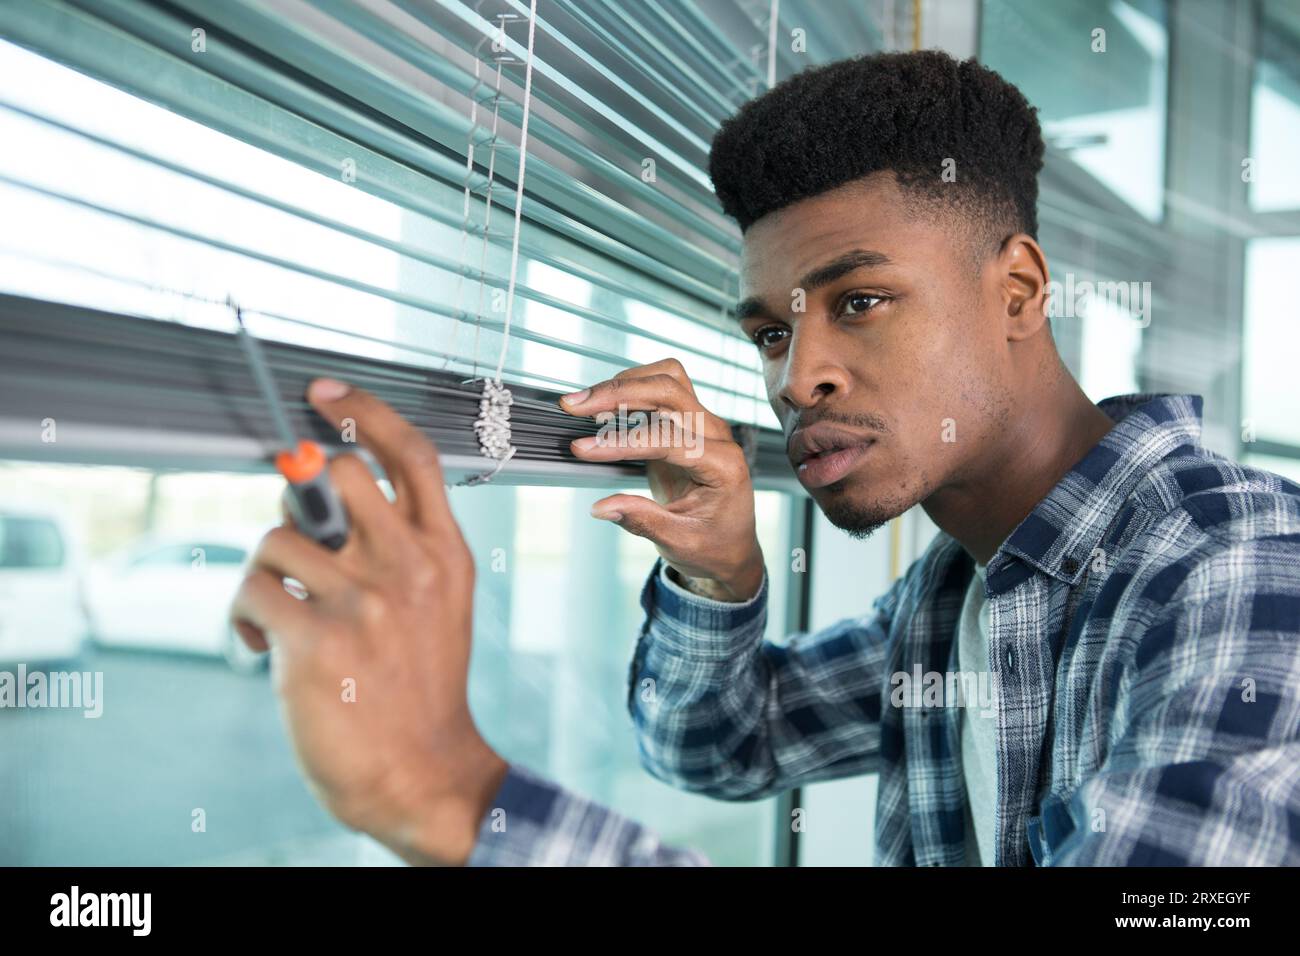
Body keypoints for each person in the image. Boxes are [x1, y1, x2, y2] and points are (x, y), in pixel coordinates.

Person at [231, 50, 1300, 867]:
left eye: (861, 301)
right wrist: (716, 571)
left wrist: (454, 794)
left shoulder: (1236, 566)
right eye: (771, 332)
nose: (795, 378)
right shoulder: (954, 591)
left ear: (1017, 291)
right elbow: (716, 750)